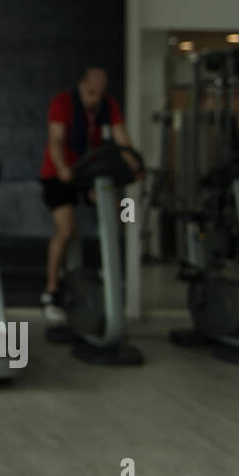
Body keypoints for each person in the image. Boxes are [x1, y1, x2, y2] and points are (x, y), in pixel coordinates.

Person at [38, 65, 141, 322]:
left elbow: (122, 140)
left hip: (89, 173)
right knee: (66, 231)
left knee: (113, 211)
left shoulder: (109, 105)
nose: (97, 97)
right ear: (82, 84)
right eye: (93, 91)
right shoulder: (63, 102)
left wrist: (135, 166)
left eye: (101, 92)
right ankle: (51, 291)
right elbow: (56, 140)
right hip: (58, 174)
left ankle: (105, 273)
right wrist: (62, 168)